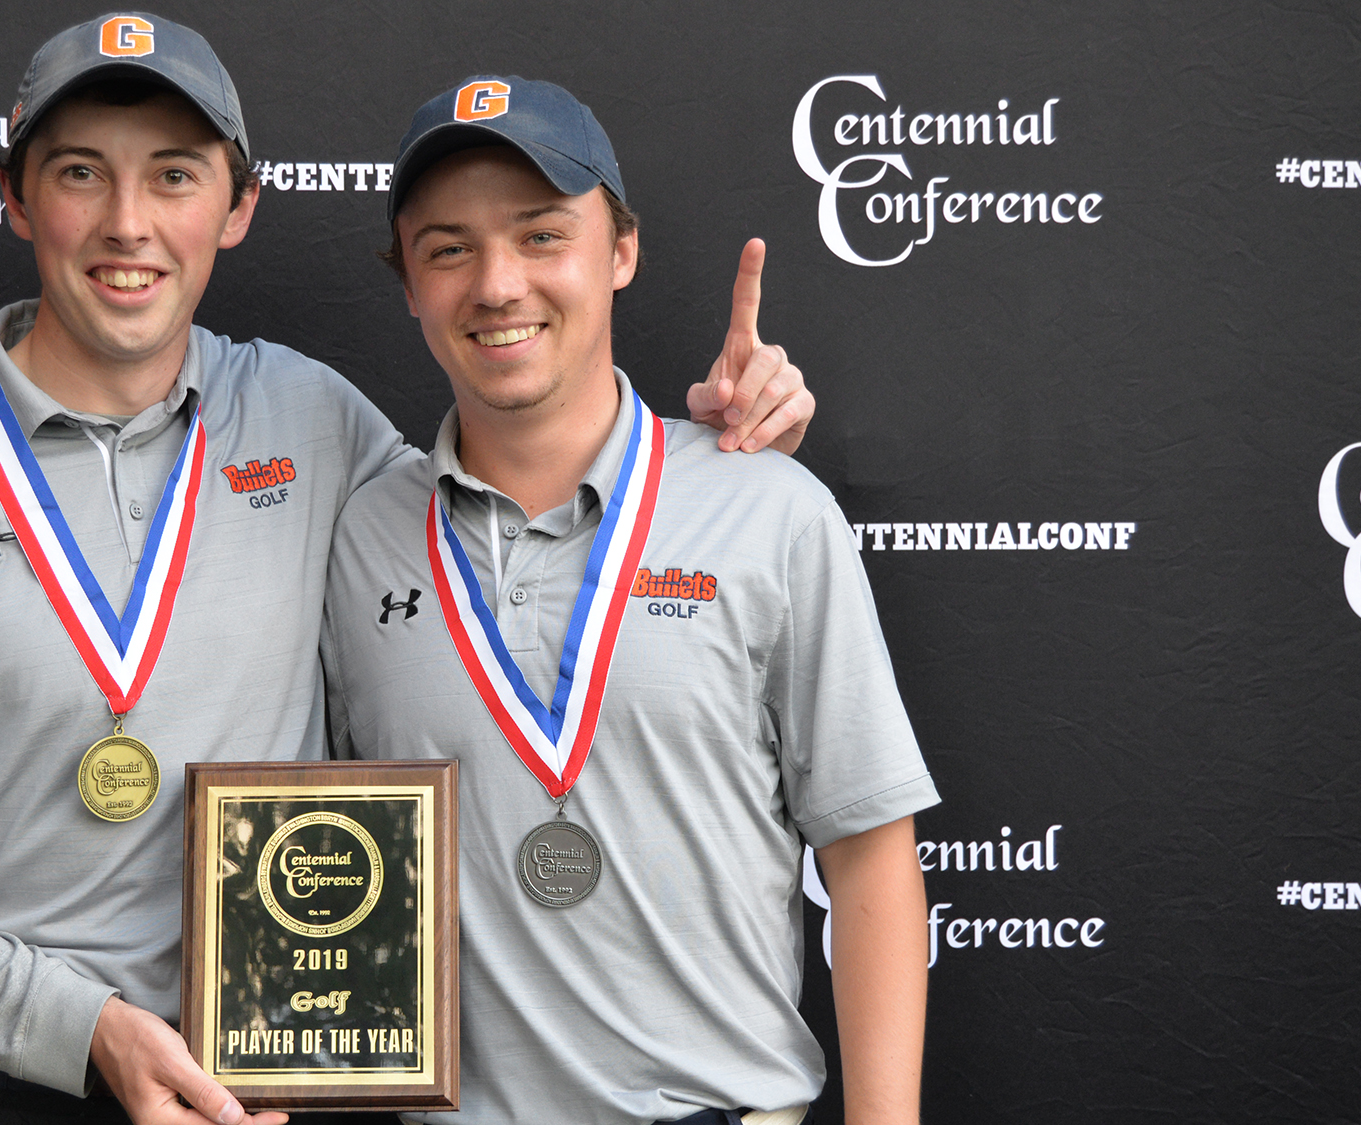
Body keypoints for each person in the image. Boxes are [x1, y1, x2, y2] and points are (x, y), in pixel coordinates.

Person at [0, 15, 813, 1125]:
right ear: (15, 196)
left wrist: (703, 468)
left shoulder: (312, 419)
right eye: (80, 173)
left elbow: (505, 513)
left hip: (277, 1087)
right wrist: (80, 1028)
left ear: (235, 208)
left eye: (175, 175)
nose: (128, 222)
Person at [320, 77, 938, 1125]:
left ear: (620, 253)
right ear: (408, 285)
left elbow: (869, 855)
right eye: (447, 248)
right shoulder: (356, 536)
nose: (497, 284)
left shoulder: (768, 511)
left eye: (541, 235)